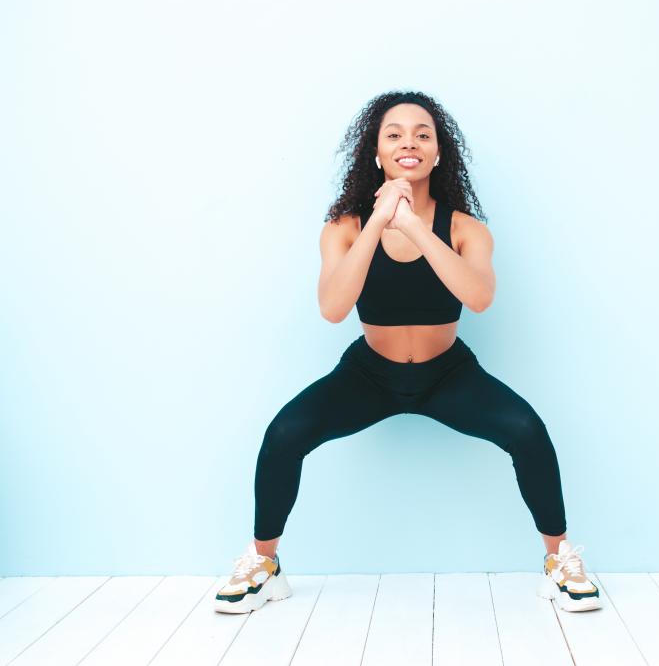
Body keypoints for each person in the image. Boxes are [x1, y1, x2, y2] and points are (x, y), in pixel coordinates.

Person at [214, 90, 601, 615]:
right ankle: (263, 564)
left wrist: (415, 225)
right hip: (370, 375)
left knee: (527, 432)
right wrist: (378, 220)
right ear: (376, 153)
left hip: (448, 375)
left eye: (423, 134)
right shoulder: (344, 228)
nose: (409, 143)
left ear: (438, 153)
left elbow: (479, 297)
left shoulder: (465, 228)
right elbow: (332, 307)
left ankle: (560, 563)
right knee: (284, 434)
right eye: (394, 134)